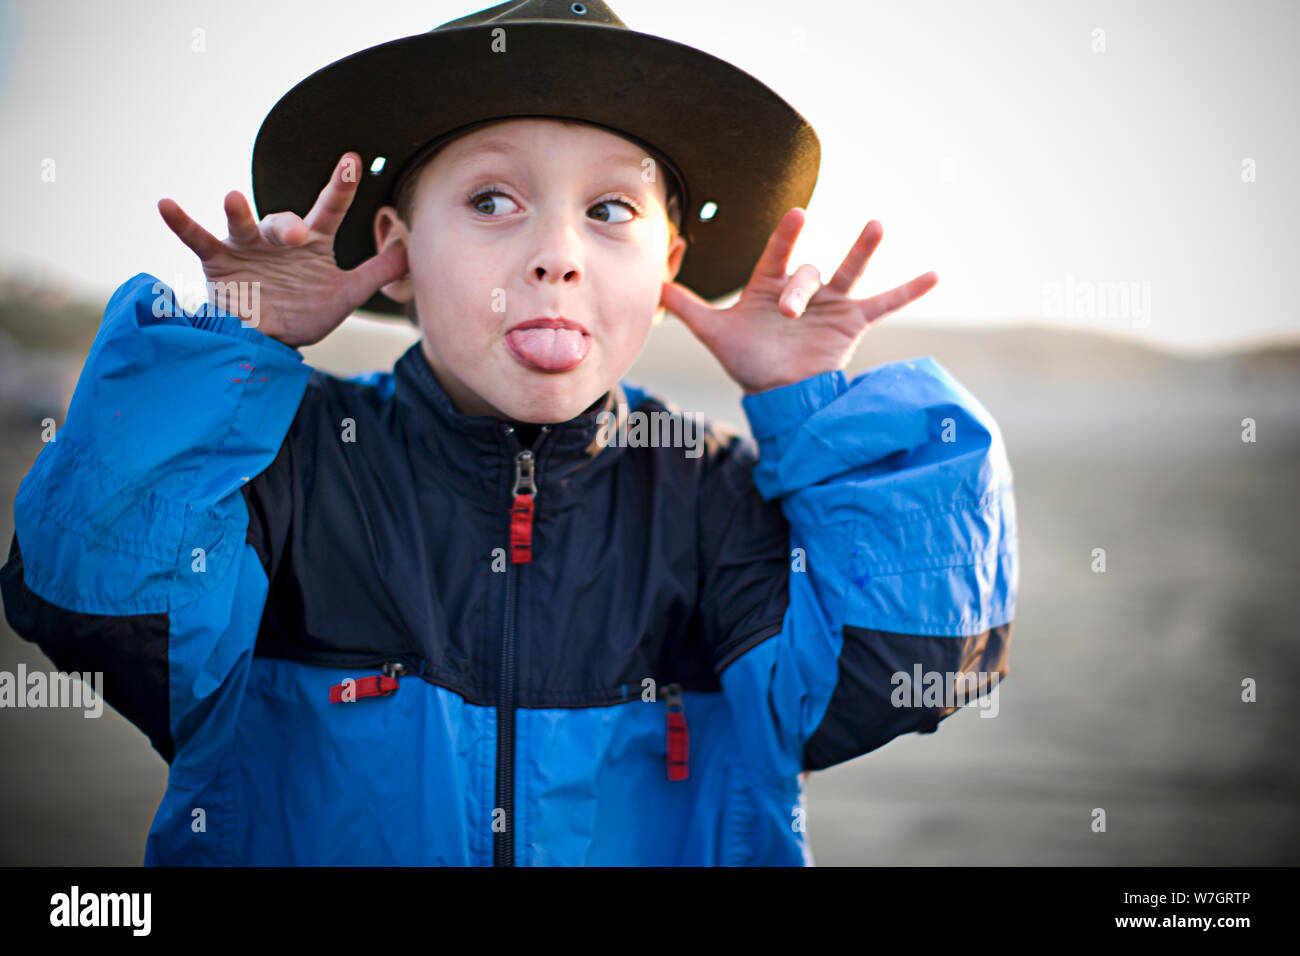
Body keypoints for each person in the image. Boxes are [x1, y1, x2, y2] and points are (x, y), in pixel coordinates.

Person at [0, 0, 1018, 866]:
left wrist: (807, 402)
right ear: (394, 250)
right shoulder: (288, 465)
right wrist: (228, 352)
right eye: (493, 199)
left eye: (610, 210)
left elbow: (890, 669)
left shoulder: (714, 498)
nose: (557, 254)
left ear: (666, 266)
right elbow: (95, 600)